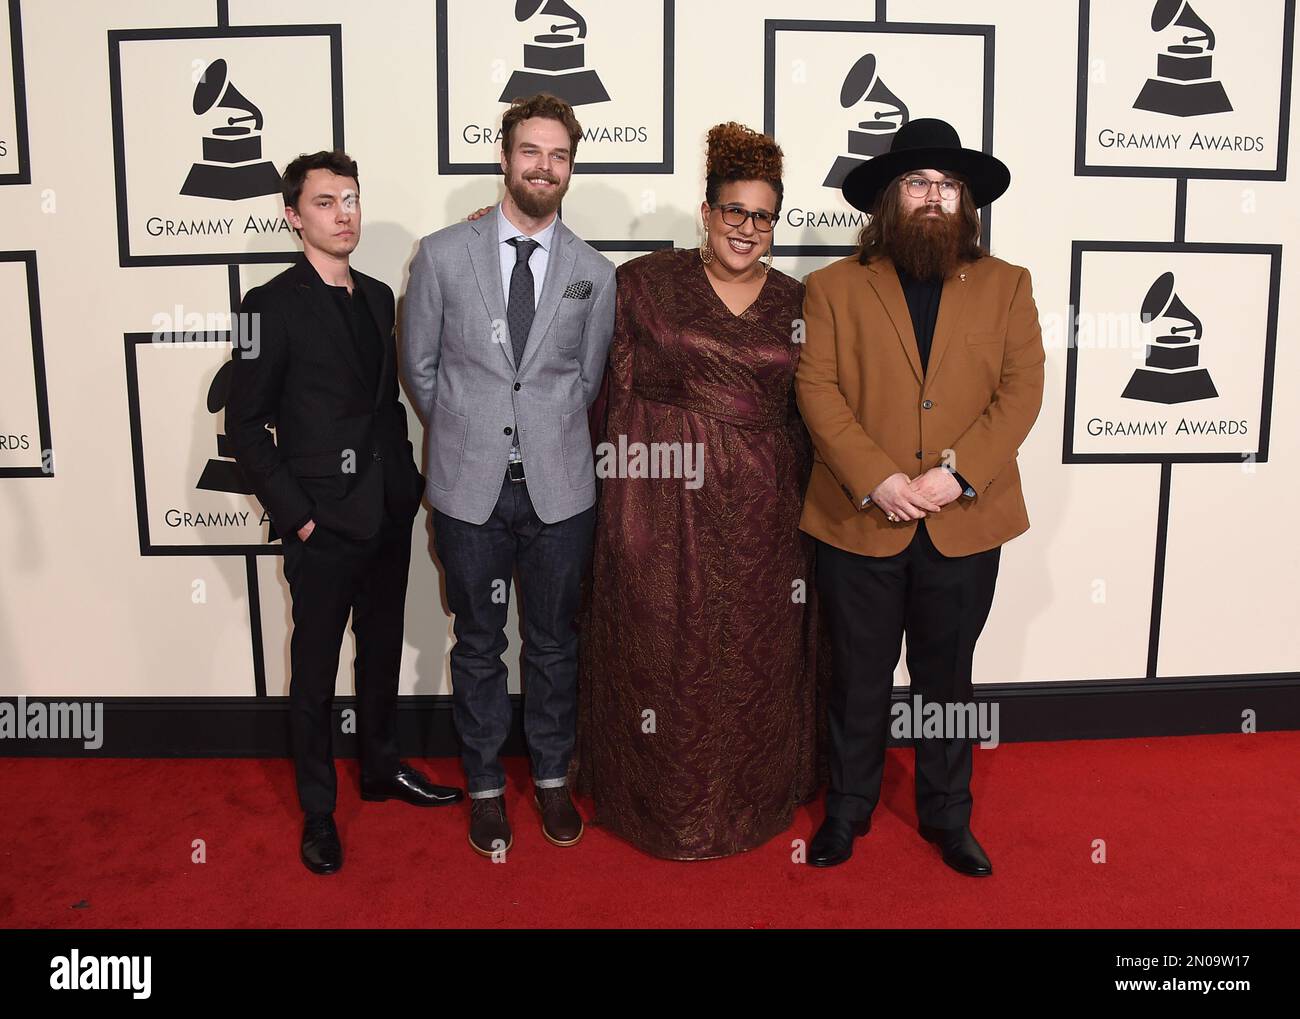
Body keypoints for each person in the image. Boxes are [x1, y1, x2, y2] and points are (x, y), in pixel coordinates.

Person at [796, 118, 1045, 875]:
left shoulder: (1008, 284)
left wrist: (957, 473)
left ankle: (948, 814)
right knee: (857, 675)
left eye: (947, 185)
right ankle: (847, 809)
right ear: (888, 199)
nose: (934, 197)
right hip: (859, 519)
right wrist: (878, 478)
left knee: (949, 678)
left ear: (964, 201)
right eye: (918, 183)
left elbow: (1022, 389)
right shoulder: (833, 286)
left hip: (964, 521)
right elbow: (818, 387)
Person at [572, 122, 826, 860]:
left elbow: (813, 413)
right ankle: (660, 808)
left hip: (766, 519)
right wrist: (617, 508)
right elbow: (608, 396)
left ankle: (748, 803)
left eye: (762, 216)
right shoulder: (645, 283)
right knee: (664, 653)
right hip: (662, 506)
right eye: (733, 211)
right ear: (706, 210)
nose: (747, 228)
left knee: (755, 658)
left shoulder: (798, 300)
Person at [227, 150, 464, 877]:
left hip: (386, 511)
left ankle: (381, 767)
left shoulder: (373, 296)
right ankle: (319, 808)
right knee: (314, 670)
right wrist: (298, 516)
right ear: (294, 216)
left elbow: (381, 405)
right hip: (322, 527)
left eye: (352, 199)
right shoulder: (265, 305)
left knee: (382, 652)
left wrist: (404, 486)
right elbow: (243, 424)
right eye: (326, 202)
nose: (345, 214)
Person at [402, 94, 616, 858]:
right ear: (503, 155)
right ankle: (487, 786)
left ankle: (552, 777)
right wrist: (474, 436)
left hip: (560, 493)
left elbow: (584, 383)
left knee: (556, 643)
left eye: (559, 156)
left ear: (570, 168)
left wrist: (533, 435)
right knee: (478, 643)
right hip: (469, 491)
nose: (544, 167)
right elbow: (421, 371)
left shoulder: (594, 272)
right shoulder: (439, 255)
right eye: (531, 151)